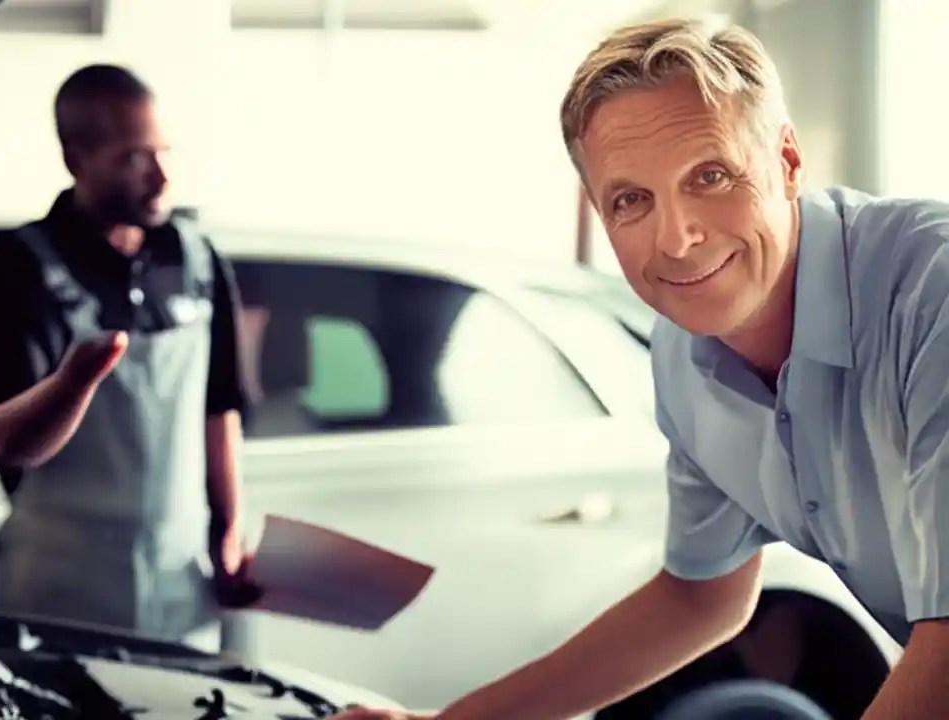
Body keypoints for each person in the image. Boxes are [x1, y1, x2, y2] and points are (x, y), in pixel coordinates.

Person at [335, 16, 949, 720]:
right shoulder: (682, 354)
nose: (678, 238)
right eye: (631, 200)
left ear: (785, 163)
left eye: (710, 176)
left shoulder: (931, 292)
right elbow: (700, 597)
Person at [0, 64, 256, 647]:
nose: (162, 176)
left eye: (163, 151)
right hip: (60, 590)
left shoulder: (199, 260)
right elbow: (11, 444)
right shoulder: (12, 268)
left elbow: (219, 409)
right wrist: (76, 382)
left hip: (181, 584)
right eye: (134, 157)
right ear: (77, 159)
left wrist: (228, 529)